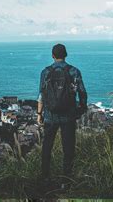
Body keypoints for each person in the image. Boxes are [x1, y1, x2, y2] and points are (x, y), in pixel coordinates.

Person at [37, 43, 88, 187]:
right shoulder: (74, 71)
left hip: (50, 115)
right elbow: (82, 93)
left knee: (47, 146)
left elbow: (41, 95)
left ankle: (45, 178)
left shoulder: (45, 72)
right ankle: (66, 180)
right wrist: (81, 109)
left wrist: (39, 114)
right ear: (66, 54)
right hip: (69, 115)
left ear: (53, 56)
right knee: (68, 148)